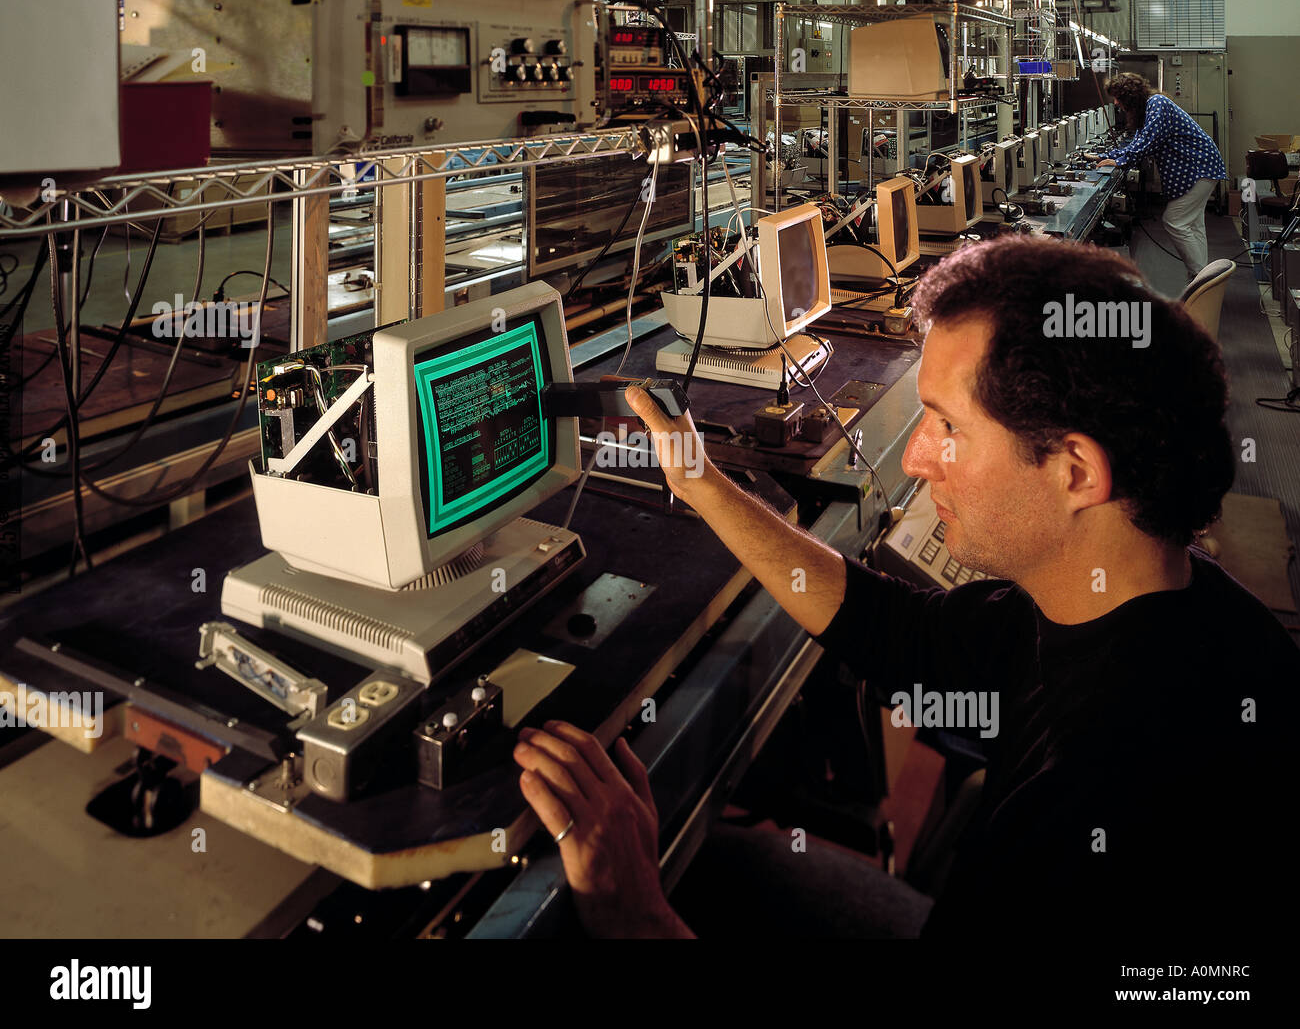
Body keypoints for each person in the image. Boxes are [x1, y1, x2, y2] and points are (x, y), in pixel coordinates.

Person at [512, 236, 1299, 939]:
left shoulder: (1105, 811)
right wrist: (704, 484)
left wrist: (632, 915)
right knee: (714, 859)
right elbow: (894, 629)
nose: (918, 458)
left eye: (948, 427)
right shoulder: (1123, 599)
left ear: (1075, 472)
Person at [1088, 71, 1227, 283]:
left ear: (1130, 96)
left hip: (1200, 167)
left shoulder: (1157, 103)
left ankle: (1201, 281)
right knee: (1193, 225)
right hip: (1203, 167)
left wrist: (1121, 161)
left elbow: (1148, 142)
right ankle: (1202, 278)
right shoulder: (1150, 107)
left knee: (1175, 221)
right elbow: (1138, 142)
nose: (1116, 102)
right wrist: (1105, 156)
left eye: (1118, 97)